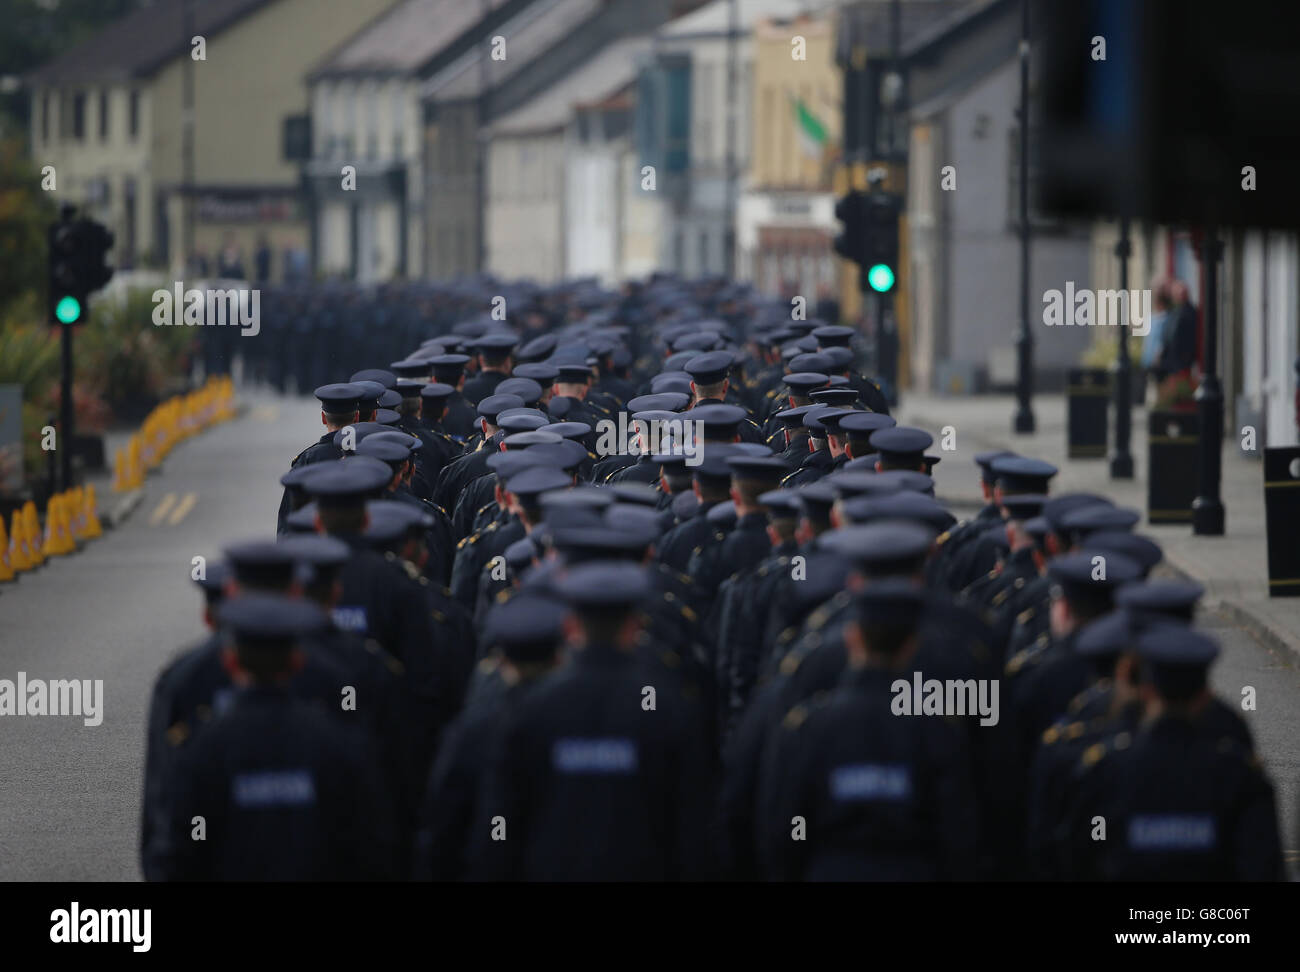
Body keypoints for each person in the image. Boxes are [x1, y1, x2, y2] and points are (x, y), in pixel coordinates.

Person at [470, 562, 714, 881]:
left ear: (570, 627)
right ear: (634, 626)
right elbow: (694, 828)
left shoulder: (532, 707)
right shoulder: (665, 706)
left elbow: (500, 823)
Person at [162, 594, 398, 880]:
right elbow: (371, 843)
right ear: (298, 660)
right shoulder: (336, 740)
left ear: (231, 662)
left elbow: (177, 849)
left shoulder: (203, 746)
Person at [756, 581, 980, 880]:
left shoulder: (811, 726)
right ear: (910, 645)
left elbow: (789, 822)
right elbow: (956, 829)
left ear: (853, 639)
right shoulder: (934, 727)